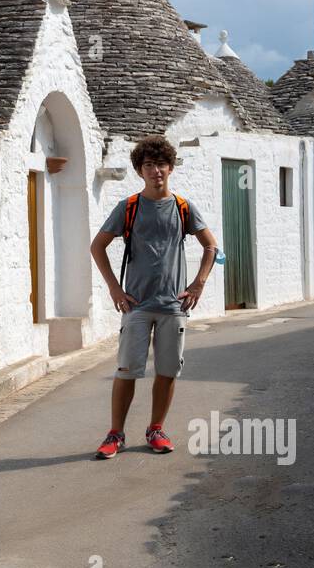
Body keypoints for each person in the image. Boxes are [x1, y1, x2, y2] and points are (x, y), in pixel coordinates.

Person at [88, 135, 219, 458]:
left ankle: (155, 429)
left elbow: (211, 246)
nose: (156, 171)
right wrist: (114, 288)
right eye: (148, 166)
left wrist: (199, 283)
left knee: (167, 369)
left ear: (170, 168)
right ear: (139, 170)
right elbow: (97, 246)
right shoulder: (128, 208)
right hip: (136, 304)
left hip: (173, 306)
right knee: (127, 370)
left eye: (161, 165)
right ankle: (115, 433)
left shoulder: (183, 207)